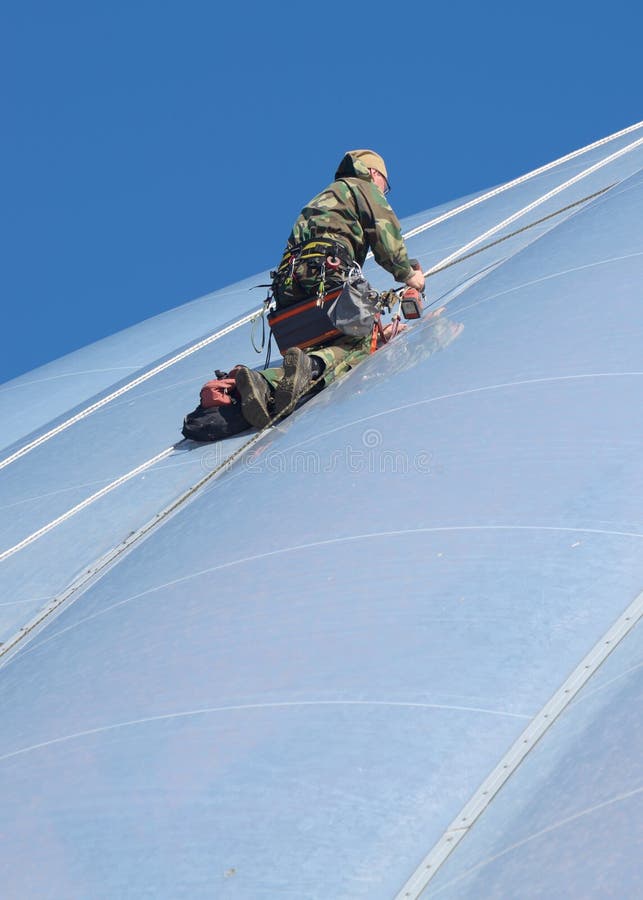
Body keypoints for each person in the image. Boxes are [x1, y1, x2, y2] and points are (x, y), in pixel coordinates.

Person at [235, 149, 425, 428]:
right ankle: (311, 367)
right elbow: (386, 237)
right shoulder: (363, 188)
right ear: (373, 173)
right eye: (386, 183)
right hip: (328, 271)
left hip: (289, 285)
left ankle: (264, 382)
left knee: (324, 337)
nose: (385, 189)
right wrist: (409, 275)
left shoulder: (324, 197)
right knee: (358, 343)